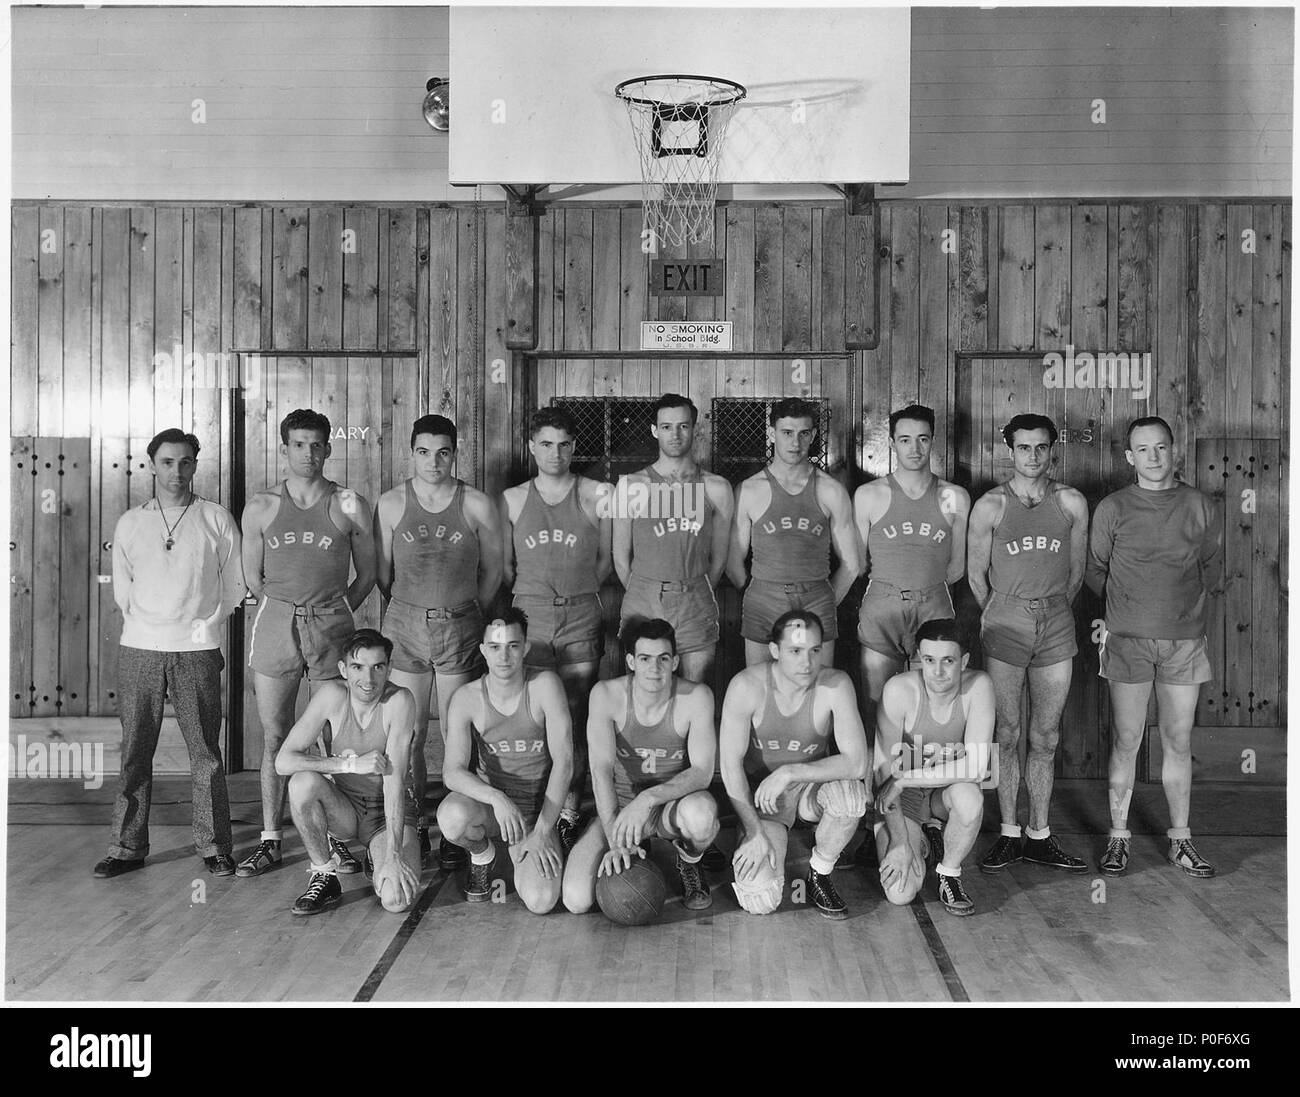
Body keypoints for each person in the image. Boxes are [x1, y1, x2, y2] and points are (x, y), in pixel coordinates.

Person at [94, 429, 246, 879]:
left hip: (196, 650)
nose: (176, 471)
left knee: (206, 754)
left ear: (196, 465)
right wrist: (149, 625)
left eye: (185, 462)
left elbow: (235, 583)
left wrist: (205, 625)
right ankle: (126, 847)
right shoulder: (131, 522)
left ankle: (215, 845)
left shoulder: (215, 518)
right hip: (140, 648)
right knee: (136, 751)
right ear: (152, 465)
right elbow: (124, 591)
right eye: (167, 462)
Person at [236, 408, 376, 879]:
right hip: (276, 622)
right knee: (275, 734)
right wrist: (284, 607)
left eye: (317, 444)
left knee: (327, 734)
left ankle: (334, 838)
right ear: (284, 448)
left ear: (329, 449)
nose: (309, 453)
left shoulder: (349, 502)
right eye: (299, 444)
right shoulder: (260, 505)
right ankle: (270, 839)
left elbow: (370, 573)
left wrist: (336, 607)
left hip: (332, 624)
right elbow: (251, 575)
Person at [1085, 416, 1222, 879]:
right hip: (1127, 641)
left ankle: (1181, 840)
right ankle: (1118, 838)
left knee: (1178, 740)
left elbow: (1208, 565)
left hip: (1184, 640)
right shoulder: (1113, 507)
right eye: (1143, 449)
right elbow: (1095, 569)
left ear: (1173, 449)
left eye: (1161, 447)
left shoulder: (1198, 505)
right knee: (1127, 738)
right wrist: (1121, 612)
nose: (1154, 456)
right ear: (1130, 457)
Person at [375, 414, 502, 870]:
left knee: (455, 731)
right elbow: (383, 576)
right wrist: (413, 609)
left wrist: (465, 609)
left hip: (460, 622)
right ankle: (413, 824)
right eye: (424, 452)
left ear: (455, 453)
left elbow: (493, 572)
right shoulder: (391, 504)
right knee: (408, 732)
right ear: (412, 453)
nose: (434, 461)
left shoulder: (476, 504)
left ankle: (454, 824)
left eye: (443, 452)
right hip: (405, 622)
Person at [966, 414, 1089, 873]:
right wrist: (1003, 610)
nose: (1032, 456)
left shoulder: (1072, 501)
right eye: (1023, 448)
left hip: (1055, 618)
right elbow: (976, 575)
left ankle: (1040, 833)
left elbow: (1076, 573)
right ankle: (1010, 832)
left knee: (1045, 735)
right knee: (1007, 732)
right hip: (1005, 620)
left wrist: (1049, 607)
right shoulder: (991, 505)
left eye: (1041, 448)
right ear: (1009, 450)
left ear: (1052, 450)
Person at [500, 407, 612, 850]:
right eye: (546, 444)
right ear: (531, 446)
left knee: (577, 716)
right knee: (530, 714)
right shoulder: (511, 499)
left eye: (564, 444)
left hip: (581, 613)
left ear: (574, 448)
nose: (555, 453)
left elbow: (605, 561)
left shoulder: (596, 493)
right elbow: (505, 567)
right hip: (531, 615)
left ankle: (568, 809)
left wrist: (576, 592)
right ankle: (533, 802)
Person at [719, 611, 870, 919]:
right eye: (796, 651)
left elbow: (856, 764)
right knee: (759, 899)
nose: (807, 662)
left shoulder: (835, 685)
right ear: (775, 651)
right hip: (766, 799)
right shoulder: (746, 686)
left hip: (809, 790)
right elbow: (729, 765)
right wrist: (754, 830)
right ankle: (770, 841)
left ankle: (819, 873)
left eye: (815, 650)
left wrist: (789, 772)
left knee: (851, 798)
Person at [562, 619, 719, 914]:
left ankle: (690, 861)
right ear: (631, 661)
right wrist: (614, 841)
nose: (654, 668)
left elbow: (702, 772)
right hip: (620, 809)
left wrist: (647, 800)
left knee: (701, 816)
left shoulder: (696, 697)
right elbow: (600, 771)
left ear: (675, 662)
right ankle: (615, 843)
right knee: (575, 899)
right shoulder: (606, 695)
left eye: (663, 659)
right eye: (645, 659)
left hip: (671, 807)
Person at [273, 629, 422, 916]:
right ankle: (324, 875)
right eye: (358, 667)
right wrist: (349, 765)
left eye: (378, 667)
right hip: (345, 808)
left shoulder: (399, 701)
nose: (368, 679)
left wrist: (392, 854)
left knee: (395, 901)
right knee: (302, 783)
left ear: (389, 669)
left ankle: (377, 854)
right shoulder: (332, 695)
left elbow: (394, 782)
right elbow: (284, 762)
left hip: (384, 814)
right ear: (343, 669)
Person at [435, 609, 574, 913]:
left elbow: (565, 763)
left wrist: (541, 832)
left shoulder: (545, 686)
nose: (504, 656)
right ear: (483, 650)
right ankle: (482, 854)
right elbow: (452, 773)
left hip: (537, 810)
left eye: (513, 646)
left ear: (525, 648)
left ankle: (529, 848)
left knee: (541, 902)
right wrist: (496, 798)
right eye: (495, 647)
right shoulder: (466, 697)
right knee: (452, 817)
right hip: (491, 807)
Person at [854, 404, 970, 721]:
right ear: (891, 443)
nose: (914, 448)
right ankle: (880, 771)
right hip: (883, 605)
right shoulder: (869, 494)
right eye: (905, 440)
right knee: (876, 705)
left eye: (922, 439)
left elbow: (957, 566)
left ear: (933, 441)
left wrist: (924, 585)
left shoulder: (954, 496)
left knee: (934, 706)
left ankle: (924, 772)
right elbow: (859, 563)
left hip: (933, 602)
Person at [873, 618, 995, 917]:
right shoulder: (899, 690)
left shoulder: (979, 686)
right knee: (900, 894)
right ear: (919, 658)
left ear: (964, 661)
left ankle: (949, 874)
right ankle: (922, 839)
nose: (937, 672)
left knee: (970, 796)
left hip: (944, 794)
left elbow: (977, 768)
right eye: (929, 660)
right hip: (904, 801)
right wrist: (900, 841)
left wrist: (906, 779)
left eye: (948, 661)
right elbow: (882, 775)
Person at [728, 398, 860, 667]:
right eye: (787, 433)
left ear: (812, 435)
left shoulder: (830, 490)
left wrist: (822, 598)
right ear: (772, 432)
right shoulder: (750, 490)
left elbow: (852, 564)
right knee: (761, 684)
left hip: (816, 594)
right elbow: (733, 560)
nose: (795, 442)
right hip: (764, 597)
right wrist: (759, 593)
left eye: (803, 433)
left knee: (818, 685)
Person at [612, 393, 733, 684]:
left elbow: (719, 559)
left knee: (697, 690)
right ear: (654, 430)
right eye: (666, 427)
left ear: (694, 429)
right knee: (640, 694)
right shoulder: (632, 485)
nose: (675, 434)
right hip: (644, 598)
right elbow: (619, 556)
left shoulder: (716, 487)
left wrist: (690, 587)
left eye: (683, 426)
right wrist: (650, 589)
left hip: (694, 598)